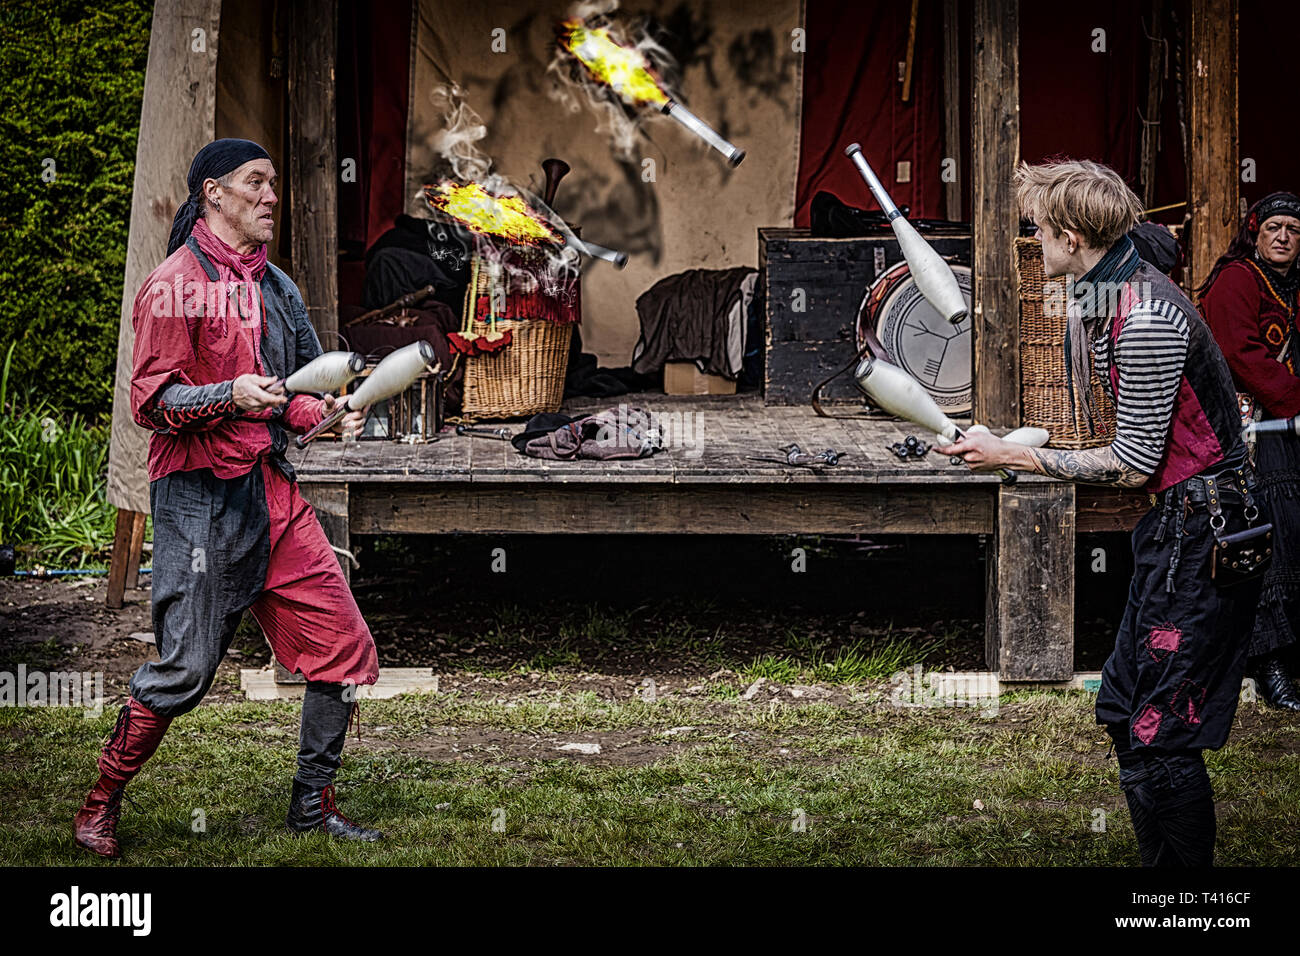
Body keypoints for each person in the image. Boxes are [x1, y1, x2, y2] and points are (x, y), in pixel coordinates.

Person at [939, 159, 1266, 866]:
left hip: (1201, 534)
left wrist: (1014, 457)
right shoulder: (1106, 291)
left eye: (1038, 229)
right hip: (1175, 529)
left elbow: (1133, 463)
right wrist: (1013, 441)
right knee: (1124, 709)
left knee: (1159, 732)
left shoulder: (1145, 314)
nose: (1034, 239)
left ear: (1072, 235)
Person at [74, 139, 383, 859]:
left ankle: (313, 806)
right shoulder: (173, 285)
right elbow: (151, 401)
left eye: (274, 183)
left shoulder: (278, 287)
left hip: (272, 496)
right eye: (256, 183)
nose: (271, 195)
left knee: (342, 647)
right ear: (213, 193)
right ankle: (99, 804)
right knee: (183, 672)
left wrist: (331, 415)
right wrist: (228, 393)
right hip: (199, 505)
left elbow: (297, 394)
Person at [1197, 192, 1300, 711]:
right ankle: (1269, 667)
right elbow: (1240, 352)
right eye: (1274, 227)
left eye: (1294, 230)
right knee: (1270, 541)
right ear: (1256, 232)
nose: (1284, 237)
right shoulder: (1238, 279)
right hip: (1258, 433)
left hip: (1292, 429)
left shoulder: (1294, 285)